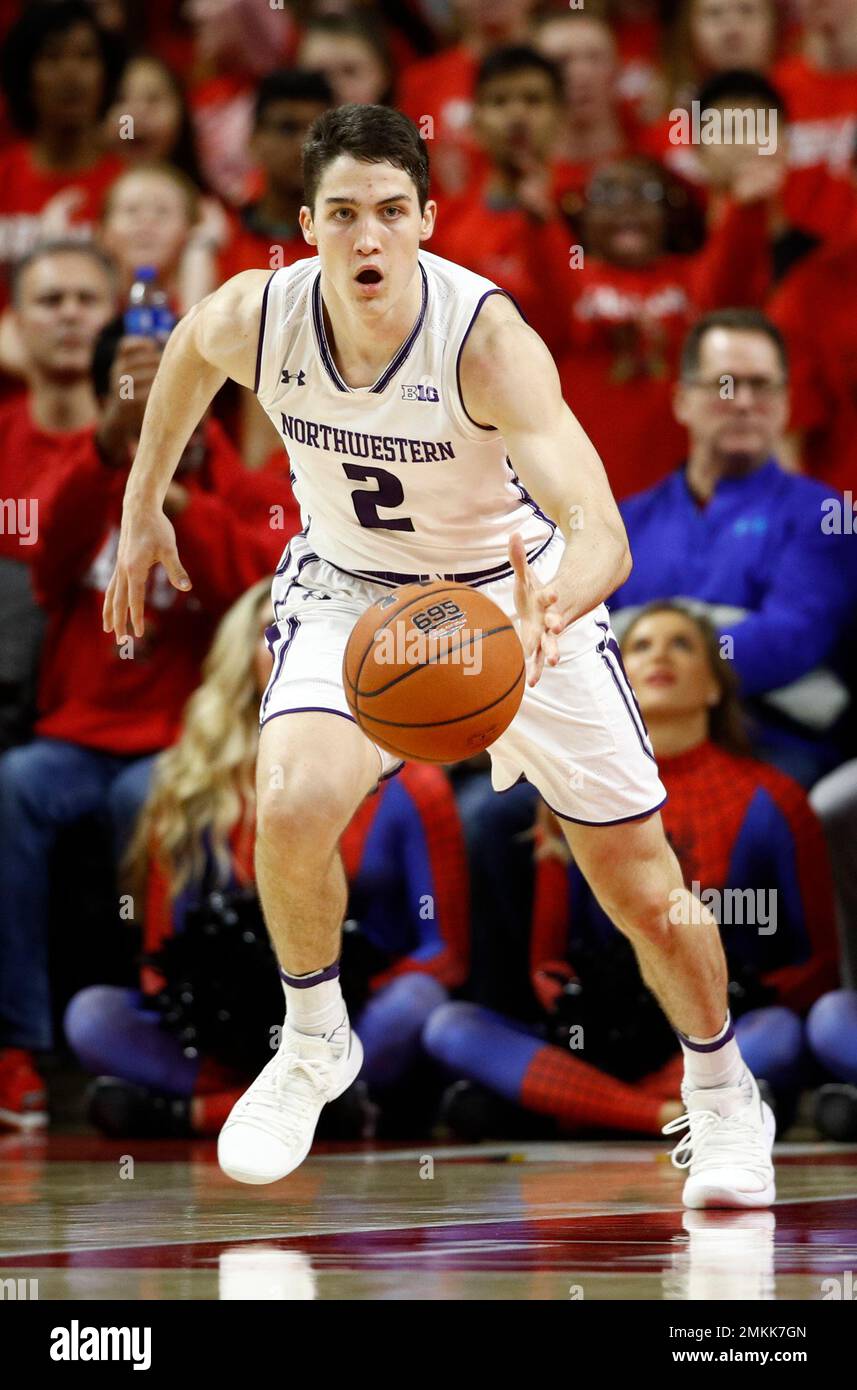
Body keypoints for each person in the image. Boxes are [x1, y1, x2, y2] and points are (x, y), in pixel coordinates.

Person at [104, 103, 777, 1209]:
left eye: (386, 212)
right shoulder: (255, 314)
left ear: (424, 217)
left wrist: (538, 615)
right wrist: (142, 509)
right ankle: (316, 1035)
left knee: (641, 887)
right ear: (305, 225)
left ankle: (719, 1091)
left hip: (514, 598)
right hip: (350, 596)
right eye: (340, 215)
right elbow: (182, 358)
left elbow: (602, 534)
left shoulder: (487, 339)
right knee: (289, 799)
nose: (364, 237)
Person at [0, 313, 296, 1130]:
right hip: (72, 734)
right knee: (12, 787)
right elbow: (48, 570)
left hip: (182, 739)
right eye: (143, 386)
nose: (164, 400)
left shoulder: (250, 493)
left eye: (181, 385)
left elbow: (248, 589)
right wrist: (109, 455)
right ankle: (13, 1047)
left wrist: (166, 493)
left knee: (159, 802)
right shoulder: (77, 476)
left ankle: (177, 1023)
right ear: (106, 400)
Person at [65, 579, 469, 1139]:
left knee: (418, 1002)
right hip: (224, 1033)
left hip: (352, 1017)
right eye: (276, 633)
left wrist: (330, 998)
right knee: (92, 1016)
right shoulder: (188, 785)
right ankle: (318, 1111)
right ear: (241, 660)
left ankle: (197, 1115)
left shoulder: (415, 781)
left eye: (321, 635)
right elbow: (159, 958)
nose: (294, 649)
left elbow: (444, 955)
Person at [427, 603, 838, 1137]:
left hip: (720, 1025)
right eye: (640, 646)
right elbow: (546, 963)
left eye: (683, 644)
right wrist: (581, 1002)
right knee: (451, 1026)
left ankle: (584, 1108)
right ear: (617, 679)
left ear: (715, 688)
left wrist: (743, 994)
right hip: (608, 1038)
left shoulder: (776, 798)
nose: (660, 654)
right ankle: (672, 1116)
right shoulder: (569, 793)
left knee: (780, 1031)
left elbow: (820, 964)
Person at [611, 308, 857, 787]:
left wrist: (652, 657)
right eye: (725, 384)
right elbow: (584, 639)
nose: (744, 402)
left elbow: (791, 639)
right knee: (491, 818)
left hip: (773, 742)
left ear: (786, 404)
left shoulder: (825, 517)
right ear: (682, 400)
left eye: (762, 386)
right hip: (634, 744)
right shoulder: (625, 520)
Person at [0, 241, 116, 747]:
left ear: (117, 321)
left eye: (87, 300)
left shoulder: (161, 444)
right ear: (15, 323)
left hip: (109, 684)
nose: (70, 313)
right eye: (50, 301)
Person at [0, 1, 123, 305]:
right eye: (52, 56)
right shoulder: (4, 176)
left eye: (86, 56)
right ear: (25, 75)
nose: (71, 73)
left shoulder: (128, 186)